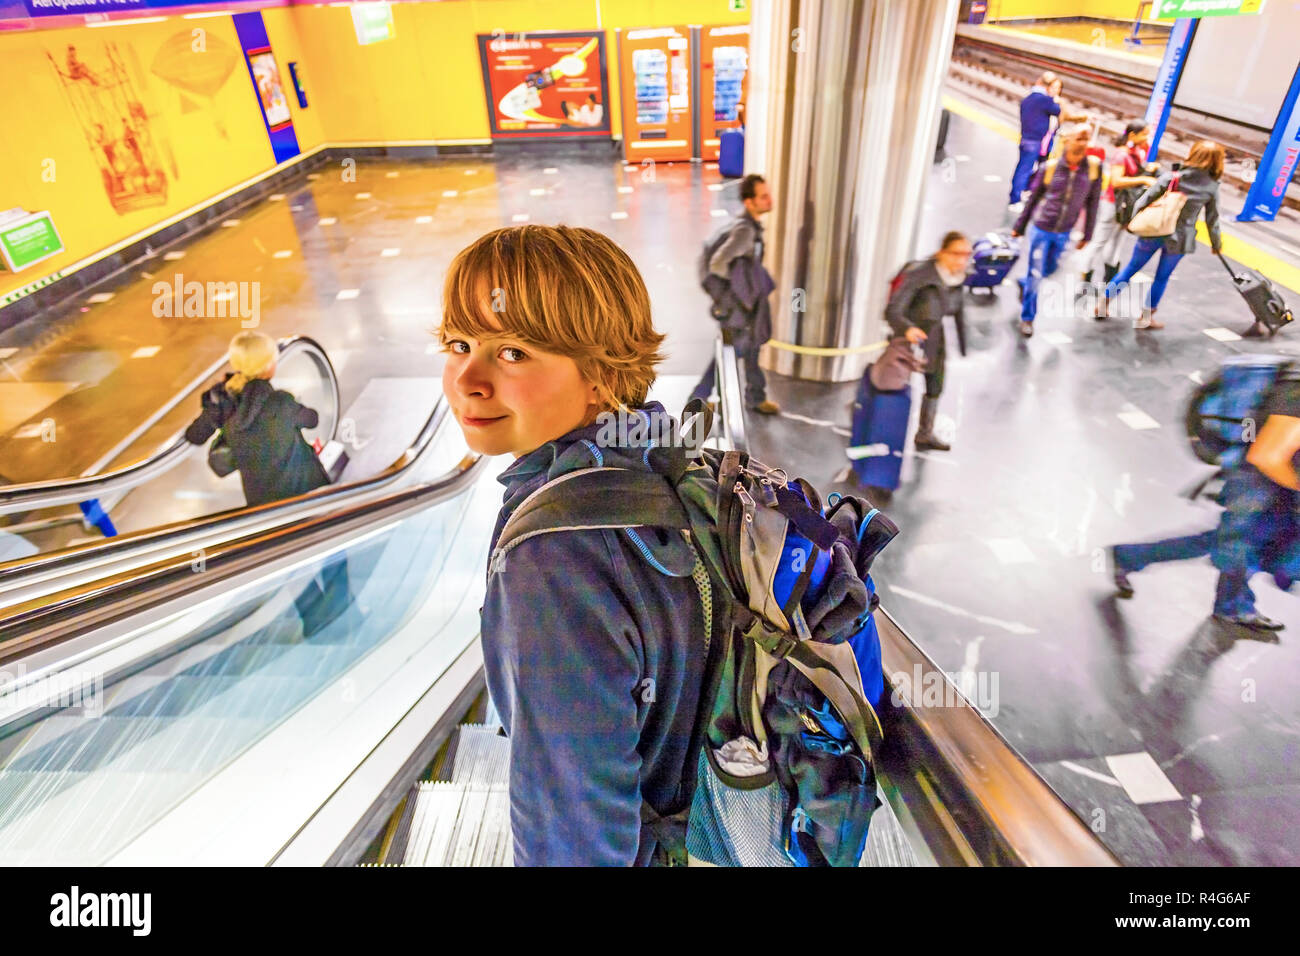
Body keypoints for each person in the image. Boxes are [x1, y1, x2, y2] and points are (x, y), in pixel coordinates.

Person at [438, 224, 709, 865]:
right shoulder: (668, 461)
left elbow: (573, 831)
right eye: (458, 344)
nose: (468, 379)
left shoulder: (552, 559)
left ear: (600, 375)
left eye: (512, 353)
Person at [1110, 368, 1300, 632]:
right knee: (1233, 545)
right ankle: (1231, 607)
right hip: (1255, 484)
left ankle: (1130, 557)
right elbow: (1266, 456)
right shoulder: (1295, 397)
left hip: (1273, 486)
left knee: (1232, 545)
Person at [185, 331, 345, 633]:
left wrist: (216, 407)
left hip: (264, 502)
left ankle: (314, 621)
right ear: (268, 366)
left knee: (292, 562)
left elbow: (194, 436)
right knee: (334, 546)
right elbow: (311, 419)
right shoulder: (280, 402)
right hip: (306, 491)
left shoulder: (226, 404)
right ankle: (343, 609)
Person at [1095, 139, 1224, 330]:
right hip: (1180, 239)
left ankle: (1102, 304)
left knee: (1131, 268)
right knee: (1162, 277)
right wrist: (1216, 244)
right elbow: (1213, 220)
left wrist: (1133, 223)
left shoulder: (1172, 177)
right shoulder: (1212, 187)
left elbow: (1142, 202)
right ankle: (1145, 318)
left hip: (1153, 231)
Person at [690, 172, 780, 415]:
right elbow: (718, 263)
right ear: (749, 202)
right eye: (763, 196)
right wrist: (741, 293)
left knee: (749, 351)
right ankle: (699, 398)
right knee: (730, 354)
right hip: (738, 308)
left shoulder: (748, 227)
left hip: (742, 307)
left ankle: (754, 397)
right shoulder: (745, 231)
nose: (769, 200)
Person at [1011, 125, 1103, 338]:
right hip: (1041, 229)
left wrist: (1088, 234)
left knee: (1050, 269)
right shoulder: (1050, 168)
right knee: (1036, 275)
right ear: (1066, 140)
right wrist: (1019, 227)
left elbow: (1093, 203)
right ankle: (1028, 318)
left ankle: (1024, 283)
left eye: (1087, 139)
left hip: (1065, 232)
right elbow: (1033, 200)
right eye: (1079, 138)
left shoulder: (1093, 169)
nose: (1083, 143)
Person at [883, 231, 971, 451]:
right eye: (956, 254)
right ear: (942, 252)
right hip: (905, 340)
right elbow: (893, 310)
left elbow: (958, 310)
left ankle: (925, 433)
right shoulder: (920, 274)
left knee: (935, 385)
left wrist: (963, 344)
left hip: (933, 337)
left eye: (966, 254)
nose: (962, 260)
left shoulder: (957, 277)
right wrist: (907, 328)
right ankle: (877, 428)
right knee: (890, 386)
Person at [1078, 119, 1156, 298]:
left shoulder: (1136, 152)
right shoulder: (1121, 155)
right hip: (1113, 204)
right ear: (1133, 135)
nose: (1147, 138)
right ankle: (1084, 281)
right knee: (1099, 242)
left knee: (1116, 243)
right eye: (1145, 134)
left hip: (1126, 206)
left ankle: (1108, 282)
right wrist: (1144, 179)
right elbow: (1116, 181)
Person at [1009, 71, 1087, 207]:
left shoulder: (1030, 98)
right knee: (1026, 169)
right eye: (1054, 87)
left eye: (1059, 88)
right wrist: (1060, 101)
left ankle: (1025, 191)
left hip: (1036, 140)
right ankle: (1015, 199)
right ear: (1048, 86)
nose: (1056, 90)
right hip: (1036, 140)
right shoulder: (1046, 100)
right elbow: (1060, 112)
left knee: (1033, 168)